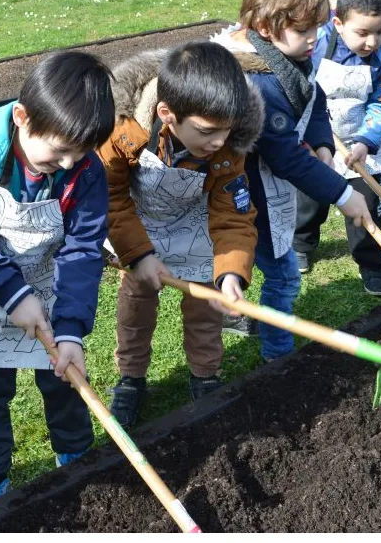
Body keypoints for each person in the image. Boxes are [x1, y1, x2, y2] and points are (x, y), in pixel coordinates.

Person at [0, 50, 115, 507]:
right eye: (60, 151)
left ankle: (75, 454)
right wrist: (12, 294)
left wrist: (70, 328)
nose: (70, 163)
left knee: (63, 377)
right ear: (22, 117)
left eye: (81, 153)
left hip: (49, 288)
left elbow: (82, 250)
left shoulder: (85, 172)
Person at [210, 0, 376, 361]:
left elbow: (313, 95)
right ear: (265, 27)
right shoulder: (257, 81)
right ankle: (278, 354)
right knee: (283, 274)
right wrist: (343, 195)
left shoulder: (286, 59)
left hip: (263, 187)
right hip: (245, 196)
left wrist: (321, 143)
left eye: (316, 27)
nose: (314, 38)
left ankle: (234, 308)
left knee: (254, 262)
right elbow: (285, 157)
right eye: (303, 30)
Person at [99, 41, 264, 428]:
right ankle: (131, 379)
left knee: (206, 311)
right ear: (166, 115)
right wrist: (138, 255)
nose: (219, 141)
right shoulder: (123, 132)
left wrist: (230, 273)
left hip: (198, 230)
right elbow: (111, 198)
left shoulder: (227, 146)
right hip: (139, 229)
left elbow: (233, 213)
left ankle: (205, 377)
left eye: (226, 130)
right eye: (207, 132)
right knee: (135, 310)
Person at [292, 0, 381, 297]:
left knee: (366, 204)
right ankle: (301, 244)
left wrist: (365, 141)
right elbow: (301, 85)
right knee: (309, 199)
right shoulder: (315, 46)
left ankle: (371, 262)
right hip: (318, 140)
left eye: (379, 31)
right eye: (363, 33)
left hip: (362, 144)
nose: (372, 41)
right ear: (339, 24)